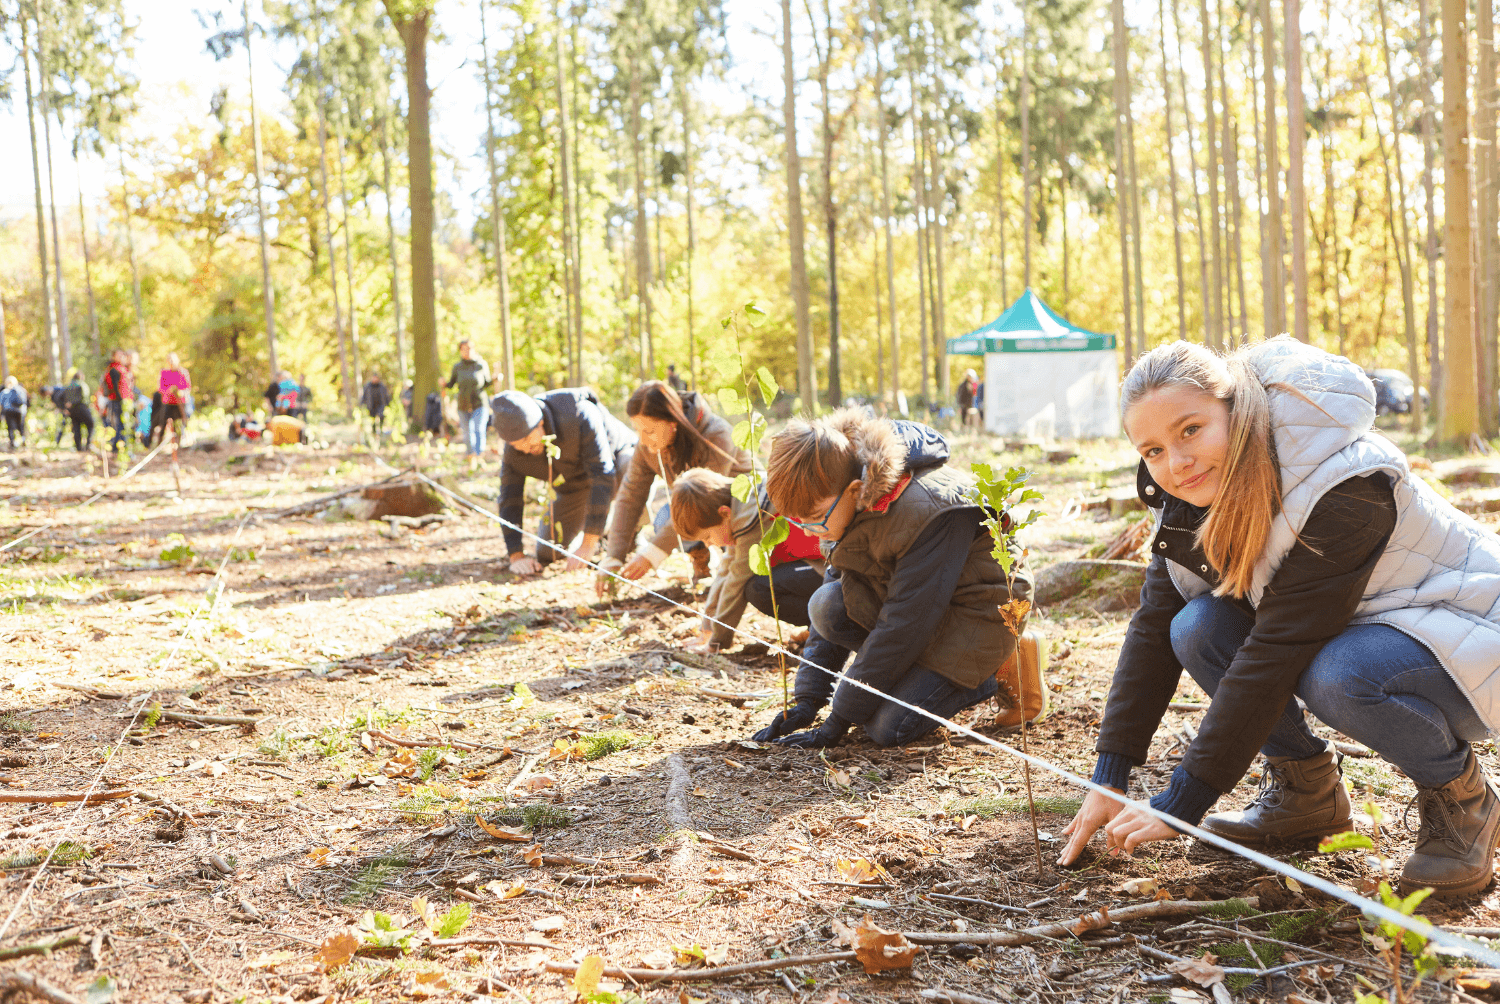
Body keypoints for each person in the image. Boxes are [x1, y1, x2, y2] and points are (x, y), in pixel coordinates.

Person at [1056, 338, 1500, 901]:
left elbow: (1277, 650)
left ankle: (1463, 800)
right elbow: (1152, 626)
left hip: (1470, 633)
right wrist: (1110, 775)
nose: (1177, 463)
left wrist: (1182, 803)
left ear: (1235, 408)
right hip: (1371, 628)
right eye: (1152, 450)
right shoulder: (1190, 495)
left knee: (1339, 674)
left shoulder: (1343, 482)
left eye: (1190, 430)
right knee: (1196, 626)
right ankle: (1306, 793)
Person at [755, 410, 1033, 749]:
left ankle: (998, 669)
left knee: (889, 728)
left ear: (855, 489)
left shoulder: (925, 510)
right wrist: (808, 700)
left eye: (813, 518)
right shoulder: (841, 497)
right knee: (827, 605)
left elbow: (904, 625)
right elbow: (843, 592)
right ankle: (913, 678)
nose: (810, 530)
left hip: (981, 609)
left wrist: (838, 720)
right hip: (926, 606)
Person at [596, 381, 753, 597]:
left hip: (740, 510)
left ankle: (739, 572)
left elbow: (703, 501)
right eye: (637, 430)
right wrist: (613, 556)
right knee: (664, 518)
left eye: (649, 430)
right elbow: (630, 495)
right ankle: (703, 561)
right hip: (703, 512)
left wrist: (652, 553)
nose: (642, 439)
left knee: (690, 521)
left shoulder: (715, 434)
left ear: (673, 422)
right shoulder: (647, 447)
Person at [669, 468, 828, 653]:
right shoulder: (741, 509)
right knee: (757, 585)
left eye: (708, 537)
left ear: (724, 513)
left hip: (831, 568)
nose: (709, 544)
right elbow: (725, 572)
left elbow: (735, 582)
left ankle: (825, 625)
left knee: (759, 589)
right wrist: (708, 627)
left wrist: (717, 642)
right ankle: (817, 626)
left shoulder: (752, 520)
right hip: (811, 565)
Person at [493, 387, 638, 575]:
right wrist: (516, 556)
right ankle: (603, 530)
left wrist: (588, 543)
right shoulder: (514, 452)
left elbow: (602, 474)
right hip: (573, 486)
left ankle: (633, 531)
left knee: (632, 466)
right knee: (549, 552)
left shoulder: (578, 412)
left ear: (540, 422)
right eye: (516, 444)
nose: (525, 448)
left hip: (615, 465)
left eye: (529, 438)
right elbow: (509, 498)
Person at [446, 341, 492, 467]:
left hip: (479, 403)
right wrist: (443, 384)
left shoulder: (481, 365)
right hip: (463, 404)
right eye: (464, 349)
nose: (467, 351)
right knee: (467, 432)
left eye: (469, 348)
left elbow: (487, 383)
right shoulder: (457, 367)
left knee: (478, 429)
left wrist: (496, 378)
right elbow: (451, 384)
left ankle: (479, 456)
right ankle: (470, 456)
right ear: (460, 351)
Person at [156, 353, 191, 456]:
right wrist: (169, 390)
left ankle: (178, 446)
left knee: (179, 424)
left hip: (180, 403)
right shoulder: (164, 373)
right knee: (162, 423)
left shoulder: (183, 372)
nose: (171, 362)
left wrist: (181, 392)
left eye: (173, 359)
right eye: (169, 360)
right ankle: (159, 446)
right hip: (167, 402)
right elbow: (160, 388)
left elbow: (188, 388)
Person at [100, 349, 133, 454]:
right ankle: (117, 447)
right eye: (118, 355)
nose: (121, 357)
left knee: (123, 424)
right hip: (117, 400)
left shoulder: (123, 369)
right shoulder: (114, 369)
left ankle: (121, 445)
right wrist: (122, 400)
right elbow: (114, 387)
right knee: (118, 424)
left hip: (123, 400)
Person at [60, 370, 93, 452]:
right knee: (90, 424)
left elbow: (62, 397)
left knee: (76, 427)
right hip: (81, 407)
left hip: (72, 410)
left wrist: (66, 408)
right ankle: (88, 444)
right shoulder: (81, 385)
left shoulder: (68, 386)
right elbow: (84, 397)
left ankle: (78, 447)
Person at [1, 377, 28, 450]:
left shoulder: (5, 391)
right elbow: (25, 401)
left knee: (10, 428)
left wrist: (2, 414)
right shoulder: (21, 390)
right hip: (20, 411)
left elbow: (2, 404)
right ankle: (23, 441)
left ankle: (12, 444)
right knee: (21, 427)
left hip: (9, 411)